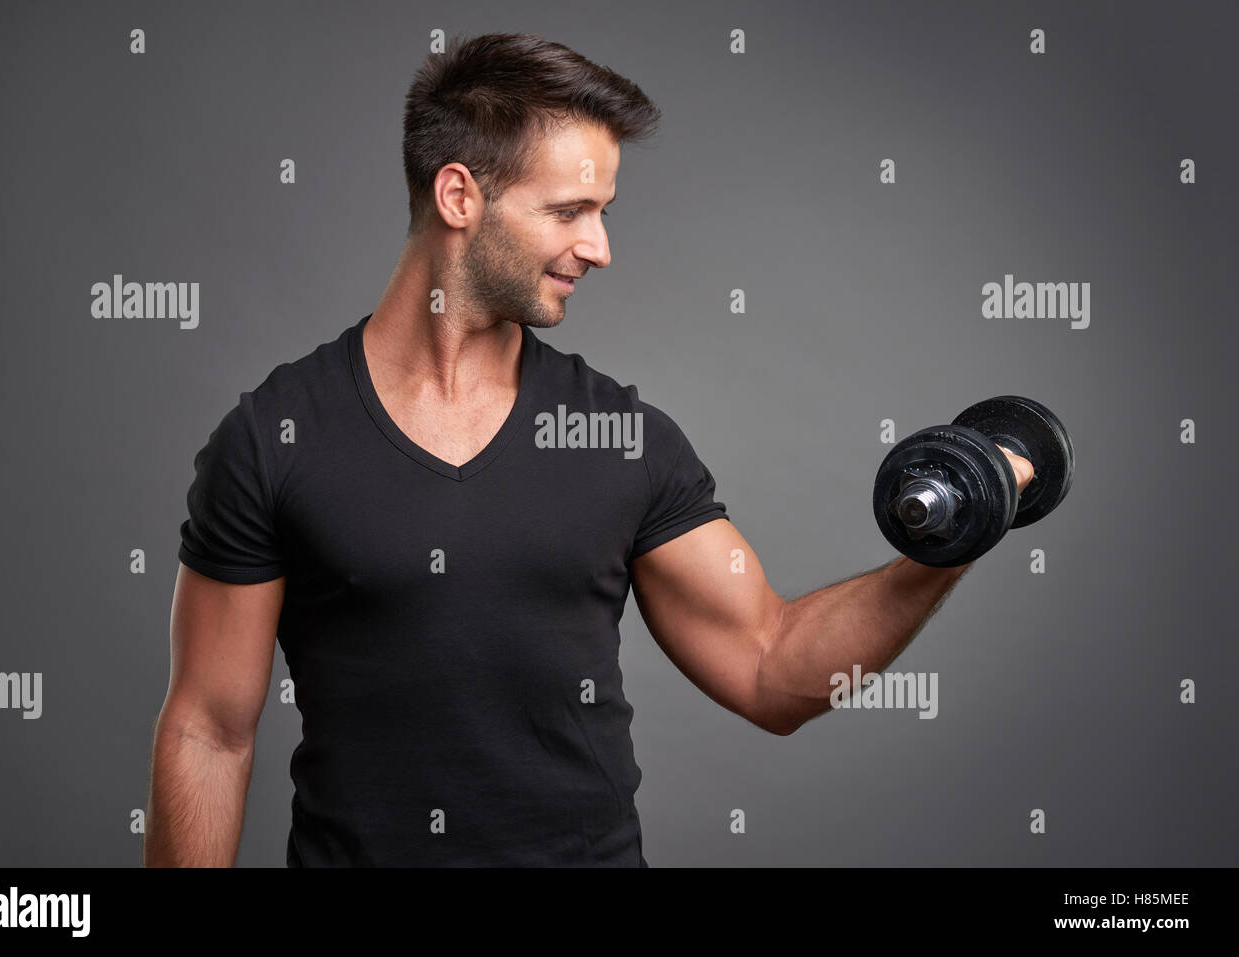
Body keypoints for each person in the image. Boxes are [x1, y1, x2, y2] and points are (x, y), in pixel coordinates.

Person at [143, 32, 1033, 868]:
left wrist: (955, 535)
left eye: (603, 212)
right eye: (570, 211)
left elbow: (771, 666)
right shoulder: (274, 437)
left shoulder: (620, 441)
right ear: (460, 196)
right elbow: (208, 729)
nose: (599, 248)